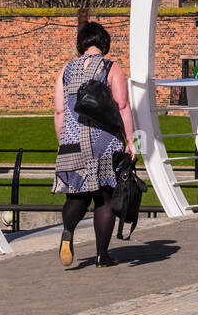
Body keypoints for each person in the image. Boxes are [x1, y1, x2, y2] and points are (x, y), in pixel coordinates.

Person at [53, 21, 136, 268]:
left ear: (82, 43)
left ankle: (68, 231)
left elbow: (59, 111)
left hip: (72, 141)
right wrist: (130, 141)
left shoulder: (65, 70)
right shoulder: (111, 68)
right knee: (104, 199)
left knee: (76, 196)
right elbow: (122, 105)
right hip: (103, 142)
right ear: (103, 42)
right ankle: (102, 255)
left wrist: (63, 140)